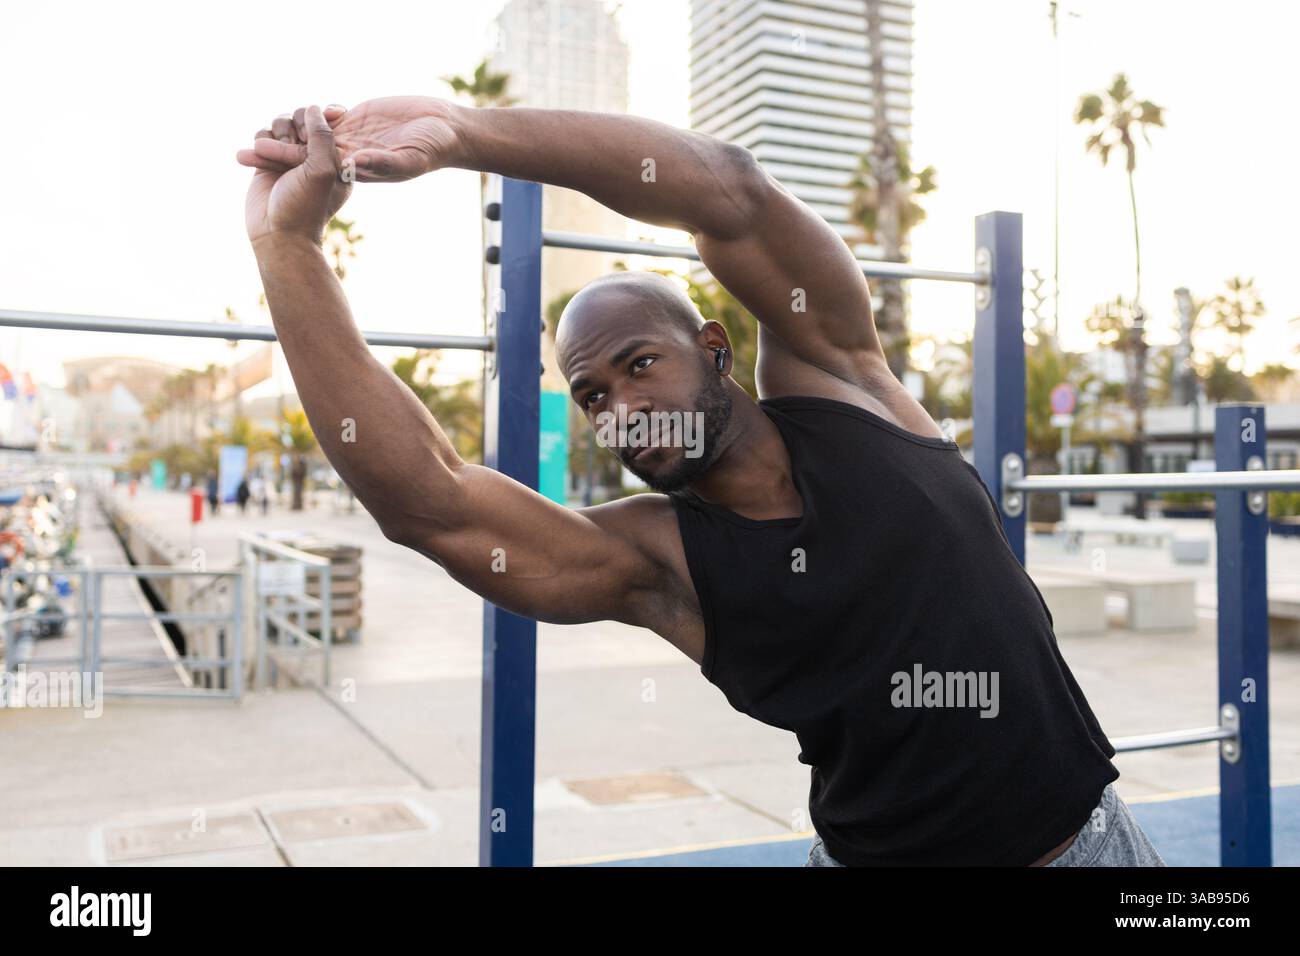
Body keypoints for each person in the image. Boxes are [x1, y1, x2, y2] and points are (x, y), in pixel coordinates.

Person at [235, 100, 1165, 867]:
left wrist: (461, 134)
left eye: (641, 365)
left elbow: (731, 193)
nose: (623, 410)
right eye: (593, 396)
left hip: (1094, 844)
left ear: (714, 349)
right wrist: (287, 248)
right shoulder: (656, 561)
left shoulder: (843, 380)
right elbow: (428, 502)